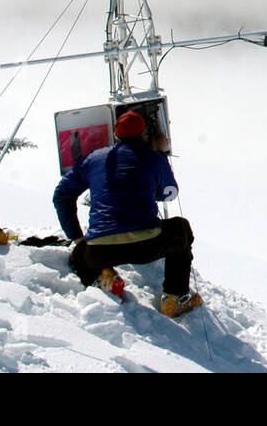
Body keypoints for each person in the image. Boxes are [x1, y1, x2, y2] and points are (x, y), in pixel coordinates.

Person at [53, 108, 202, 317]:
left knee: (79, 255)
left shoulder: (93, 158)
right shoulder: (153, 158)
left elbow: (61, 195)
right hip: (146, 246)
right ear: (144, 134)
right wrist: (160, 153)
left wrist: (77, 236)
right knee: (180, 228)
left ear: (115, 134)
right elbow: (168, 192)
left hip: (100, 250)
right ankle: (175, 298)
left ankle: (105, 278)